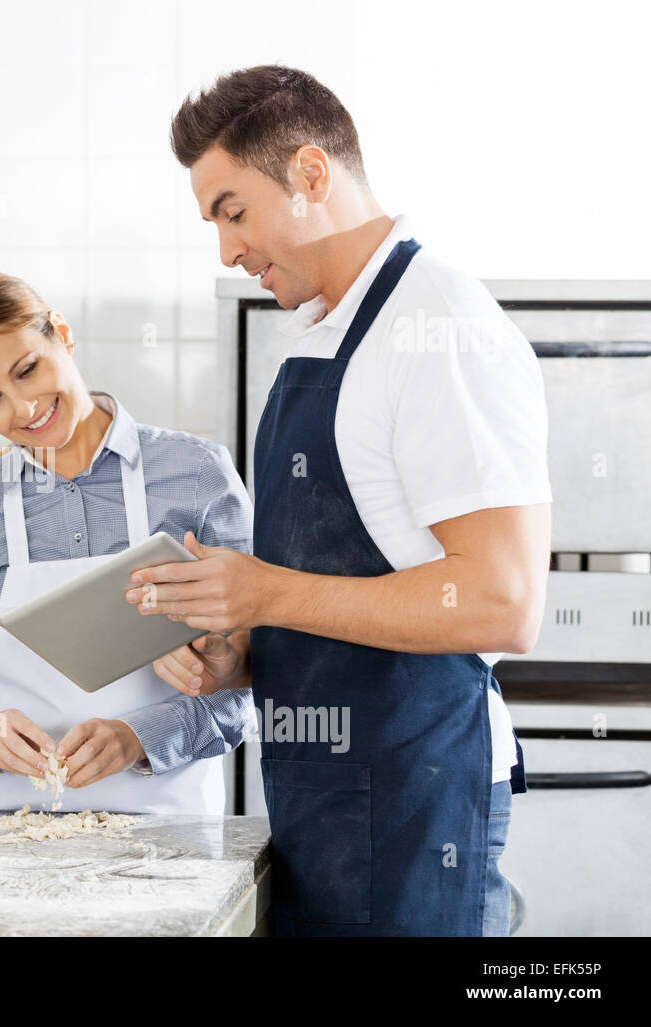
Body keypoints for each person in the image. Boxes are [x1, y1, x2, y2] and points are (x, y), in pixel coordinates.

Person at [131, 65, 550, 934]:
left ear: (312, 176)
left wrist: (266, 592)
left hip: (414, 806)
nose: (227, 251)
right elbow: (345, 583)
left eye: (233, 211)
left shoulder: (436, 327)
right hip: (326, 805)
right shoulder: (320, 336)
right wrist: (242, 652)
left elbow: (503, 601)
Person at [0, 271, 256, 814]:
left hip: (163, 837)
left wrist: (139, 738)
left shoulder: (197, 475)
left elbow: (248, 688)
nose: (23, 409)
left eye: (28, 370)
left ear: (61, 334)